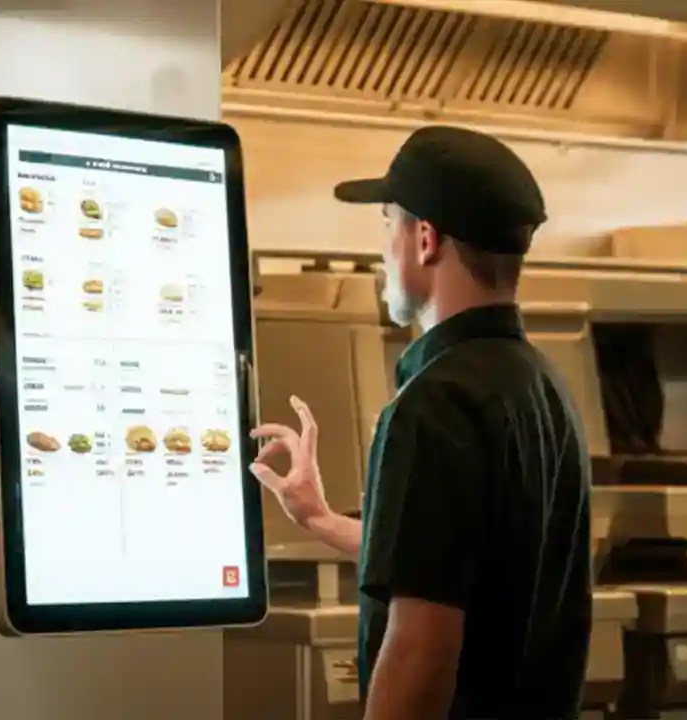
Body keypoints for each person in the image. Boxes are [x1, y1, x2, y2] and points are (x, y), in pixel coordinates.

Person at [250, 126, 592, 720]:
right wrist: (322, 520)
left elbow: (421, 650)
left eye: (389, 222)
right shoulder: (545, 386)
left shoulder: (432, 406)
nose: (385, 249)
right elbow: (449, 565)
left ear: (425, 238)